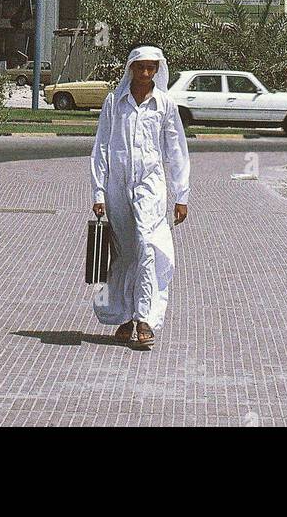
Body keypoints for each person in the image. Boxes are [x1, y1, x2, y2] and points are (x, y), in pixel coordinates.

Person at [90, 45, 190, 351]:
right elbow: (102, 146)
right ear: (131, 68)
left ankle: (146, 318)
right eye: (140, 67)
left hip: (150, 185)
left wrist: (181, 194)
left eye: (151, 68)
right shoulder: (114, 102)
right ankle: (124, 316)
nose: (146, 74)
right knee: (125, 252)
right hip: (116, 186)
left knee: (149, 246)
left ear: (157, 70)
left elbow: (175, 149)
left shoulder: (165, 105)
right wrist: (98, 191)